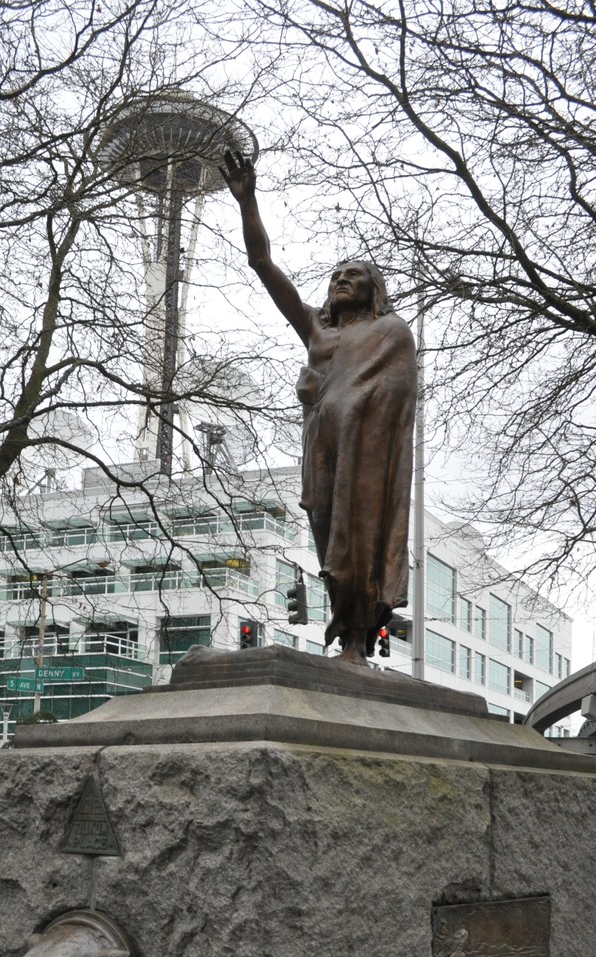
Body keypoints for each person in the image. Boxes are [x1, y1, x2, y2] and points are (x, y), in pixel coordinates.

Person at [221, 150, 417, 664]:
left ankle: (357, 640)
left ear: (374, 290)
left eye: (353, 275)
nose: (340, 280)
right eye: (335, 276)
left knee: (361, 539)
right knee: (329, 537)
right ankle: (346, 632)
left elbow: (394, 398)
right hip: (323, 452)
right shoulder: (318, 331)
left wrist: (352, 411)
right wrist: (248, 202)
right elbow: (262, 265)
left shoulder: (391, 332)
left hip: (367, 454)